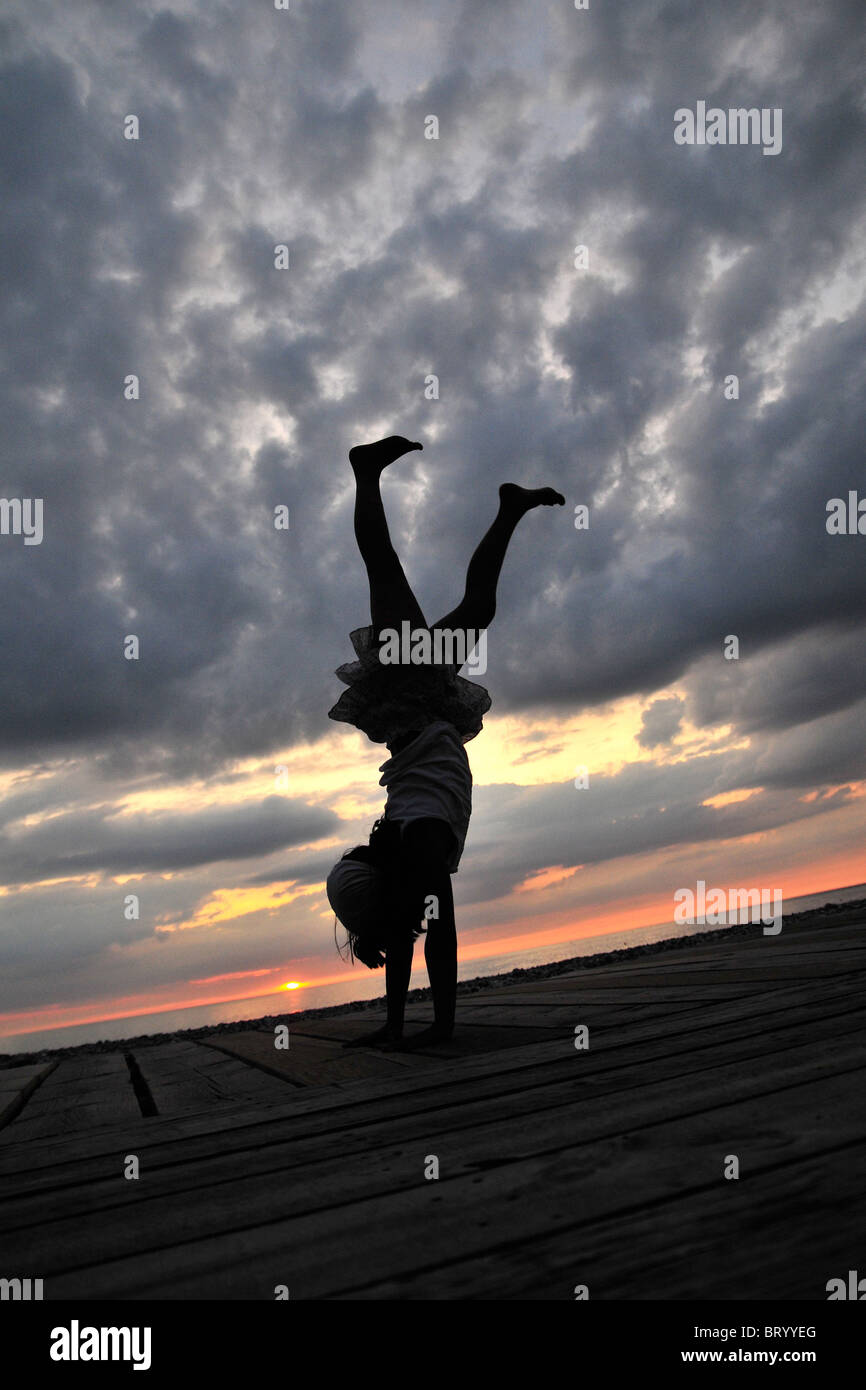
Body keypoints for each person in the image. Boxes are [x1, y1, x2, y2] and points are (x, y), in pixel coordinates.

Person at [326, 435, 564, 1049]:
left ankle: (366, 472)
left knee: (386, 568)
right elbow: (414, 931)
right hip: (424, 698)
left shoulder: (420, 838)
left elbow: (438, 931)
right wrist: (397, 1026)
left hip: (409, 690)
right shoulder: (407, 843)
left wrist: (437, 1030)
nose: (396, 927)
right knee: (479, 607)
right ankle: (509, 509)